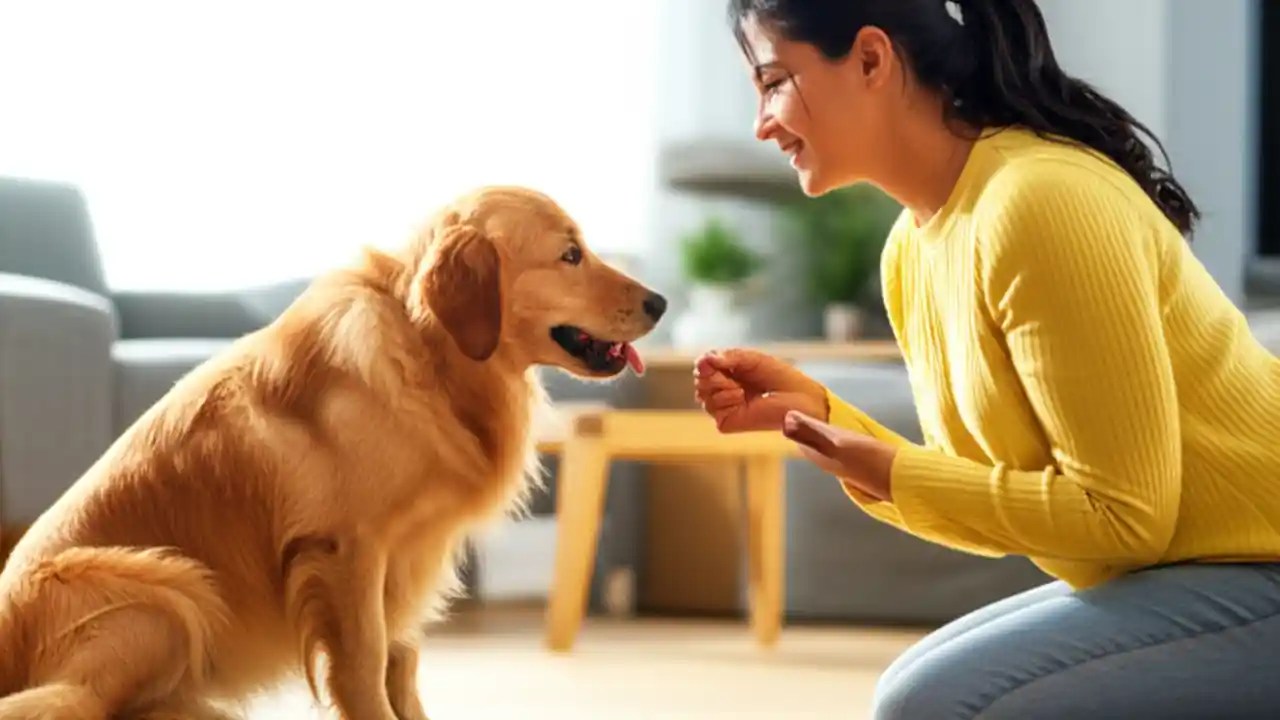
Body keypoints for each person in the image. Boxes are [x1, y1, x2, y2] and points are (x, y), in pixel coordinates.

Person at [694, 0, 1280, 717]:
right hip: (1202, 569)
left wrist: (886, 467)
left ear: (873, 60)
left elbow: (1125, 516)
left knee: (937, 701)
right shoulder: (911, 251)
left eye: (775, 81)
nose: (762, 123)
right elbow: (1001, 498)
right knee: (920, 685)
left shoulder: (1040, 201)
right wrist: (833, 426)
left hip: (1259, 561)